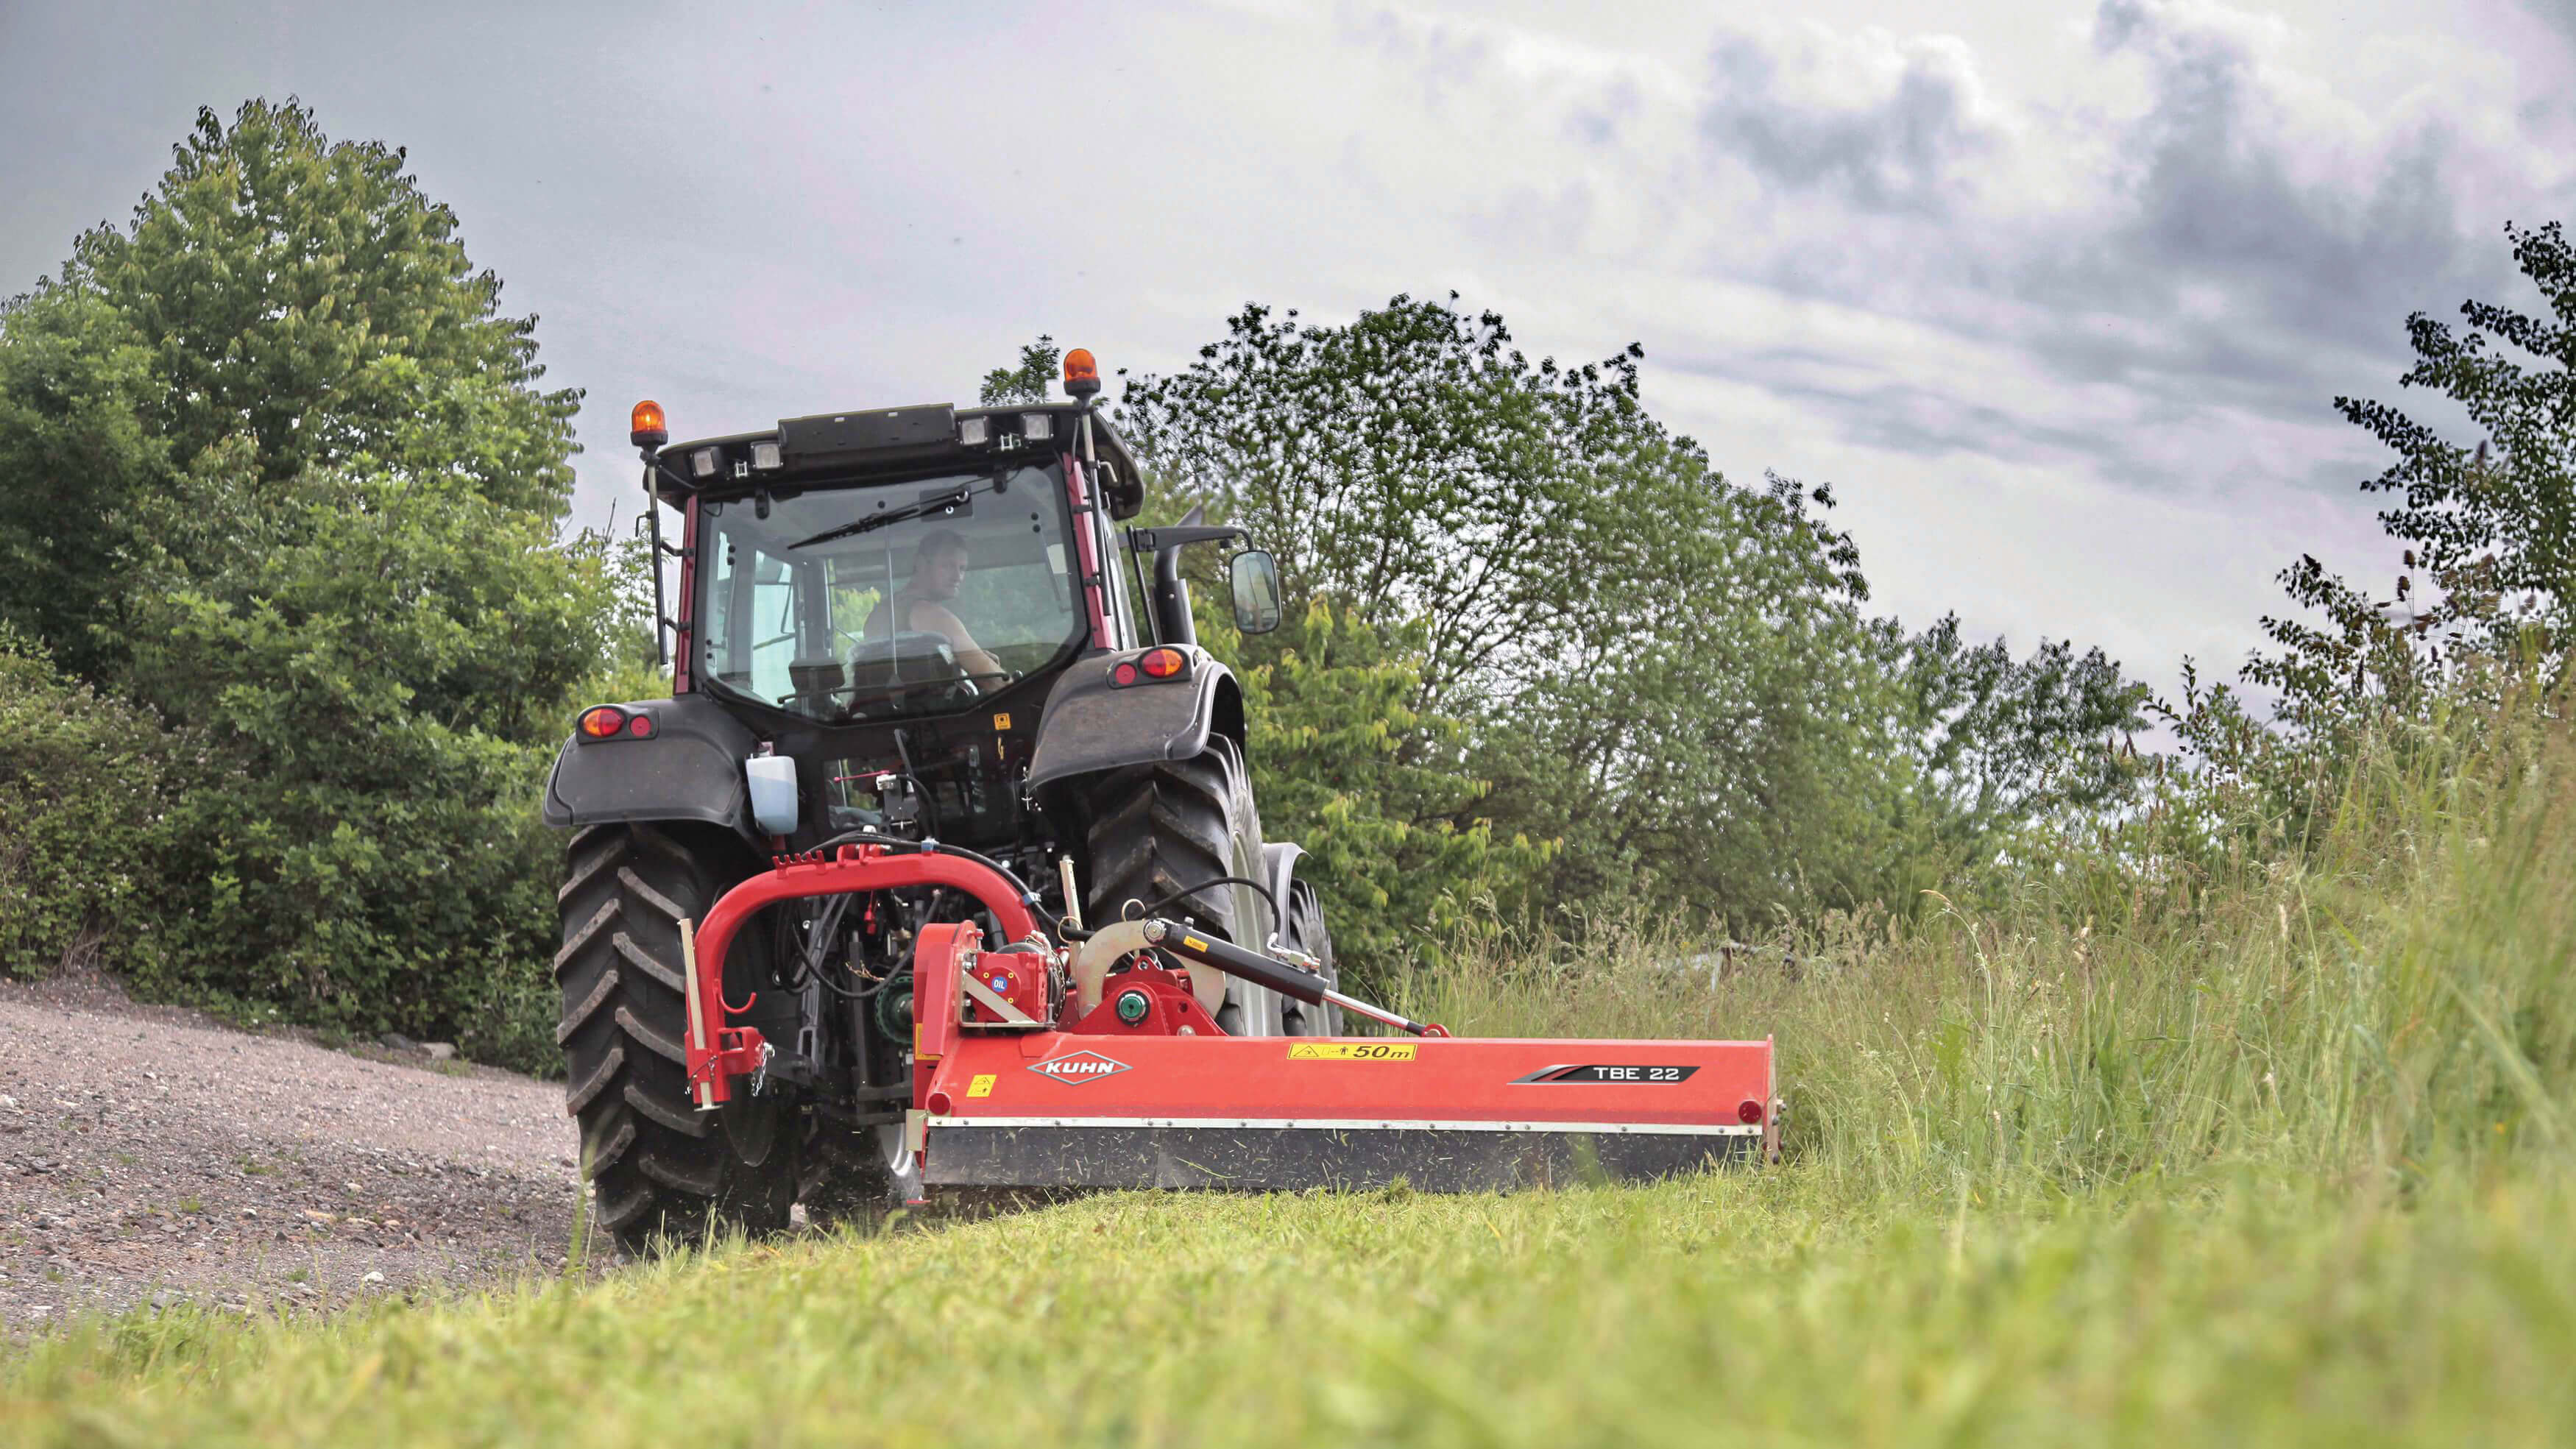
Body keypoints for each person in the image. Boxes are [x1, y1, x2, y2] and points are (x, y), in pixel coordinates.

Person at [859, 528, 1007, 684]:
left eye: (962, 568)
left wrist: (959, 663)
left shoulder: (878, 614)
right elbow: (995, 682)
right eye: (948, 566)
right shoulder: (932, 616)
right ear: (921, 564)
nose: (958, 577)